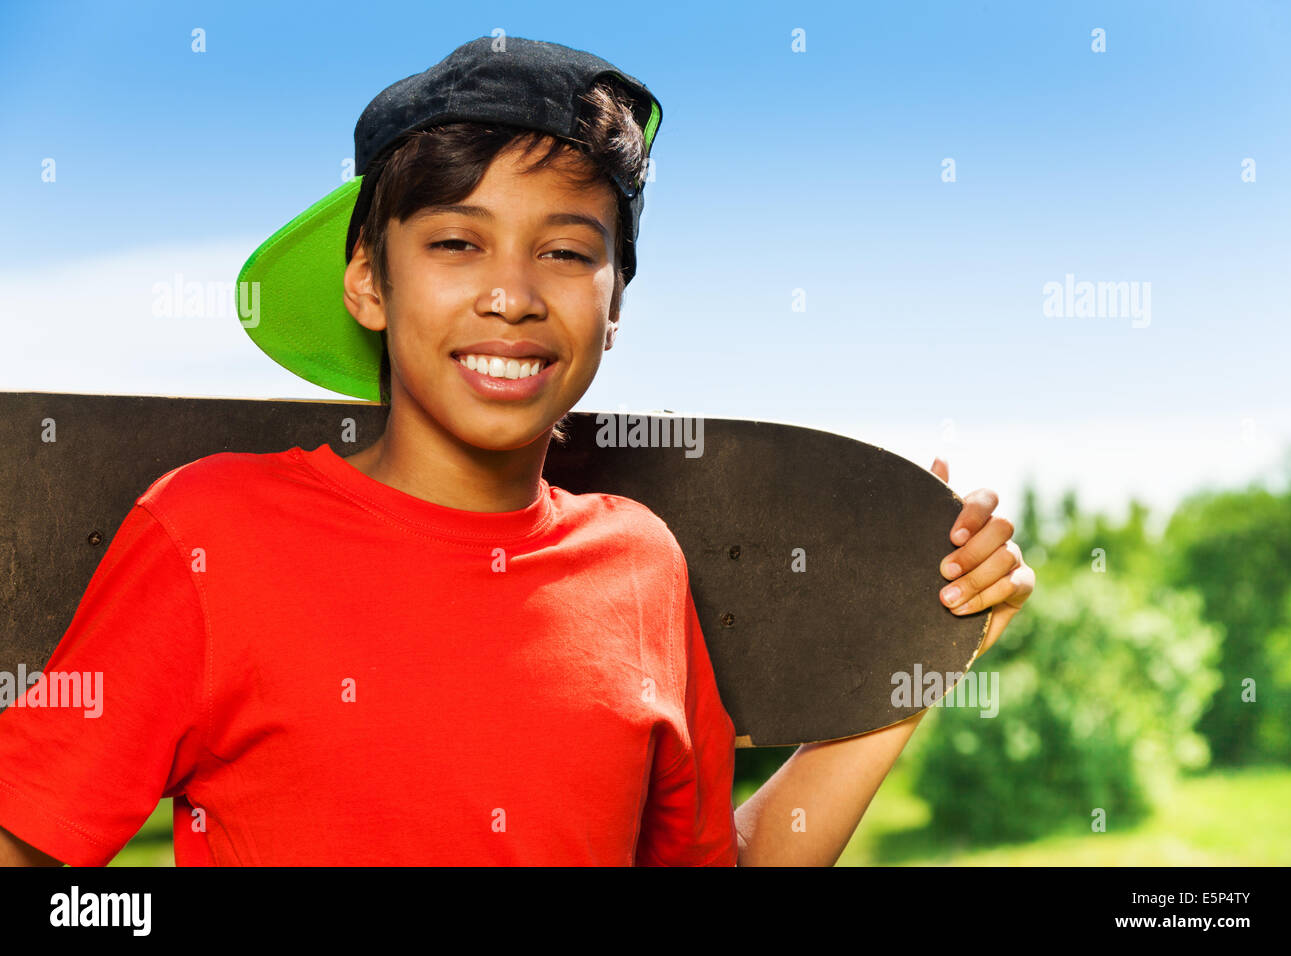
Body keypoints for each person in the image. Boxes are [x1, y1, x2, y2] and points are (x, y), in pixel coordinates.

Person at [0, 35, 1034, 867]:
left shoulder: (643, 564)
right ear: (369, 279)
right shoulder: (207, 532)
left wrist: (922, 646)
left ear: (615, 300)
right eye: (456, 241)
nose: (513, 292)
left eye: (568, 250)